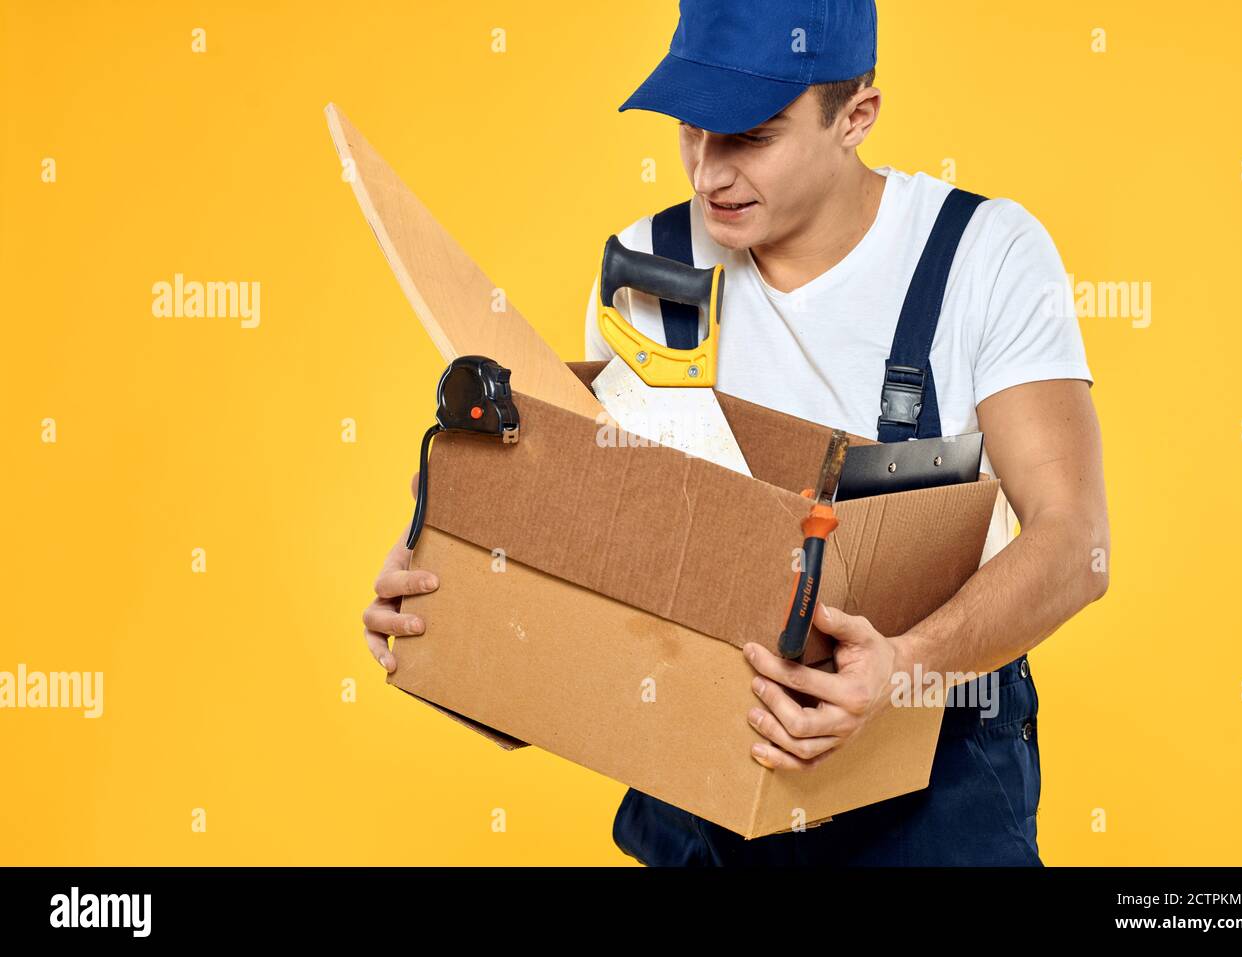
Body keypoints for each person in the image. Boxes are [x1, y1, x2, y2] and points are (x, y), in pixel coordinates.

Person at [362, 0, 1109, 866]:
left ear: (855, 116)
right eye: (692, 129)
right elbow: (613, 593)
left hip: (933, 788)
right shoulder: (649, 271)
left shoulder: (984, 255)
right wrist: (462, 624)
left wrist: (903, 665)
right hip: (701, 793)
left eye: (751, 136)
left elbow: (1074, 542)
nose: (709, 173)